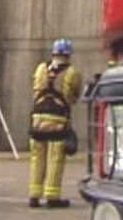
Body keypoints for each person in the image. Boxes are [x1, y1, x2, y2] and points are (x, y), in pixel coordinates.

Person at [28, 37, 82, 208]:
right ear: (68, 54)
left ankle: (34, 195)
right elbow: (75, 94)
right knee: (55, 158)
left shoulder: (41, 68)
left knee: (37, 157)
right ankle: (52, 196)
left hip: (37, 119)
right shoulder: (71, 72)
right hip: (58, 119)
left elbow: (35, 89)